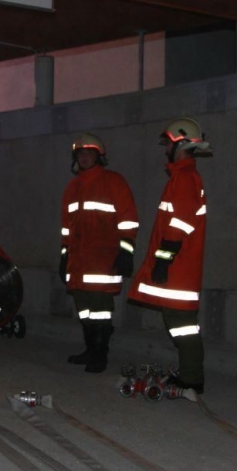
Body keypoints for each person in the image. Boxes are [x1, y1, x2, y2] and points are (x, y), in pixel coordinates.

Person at [128, 118, 213, 394]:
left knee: (183, 326)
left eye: (168, 144)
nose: (165, 149)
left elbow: (179, 225)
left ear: (181, 144)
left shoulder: (185, 178)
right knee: (179, 325)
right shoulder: (183, 177)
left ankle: (192, 379)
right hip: (179, 266)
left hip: (179, 267)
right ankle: (190, 375)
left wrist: (164, 259)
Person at [60, 133, 138, 373]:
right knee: (84, 310)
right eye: (80, 153)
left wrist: (126, 250)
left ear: (99, 156)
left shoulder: (113, 181)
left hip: (102, 261)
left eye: (89, 153)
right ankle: (90, 350)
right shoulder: (73, 187)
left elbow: (128, 219)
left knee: (101, 311)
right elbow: (67, 227)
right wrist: (64, 254)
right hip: (78, 262)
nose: (84, 157)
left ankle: (100, 354)